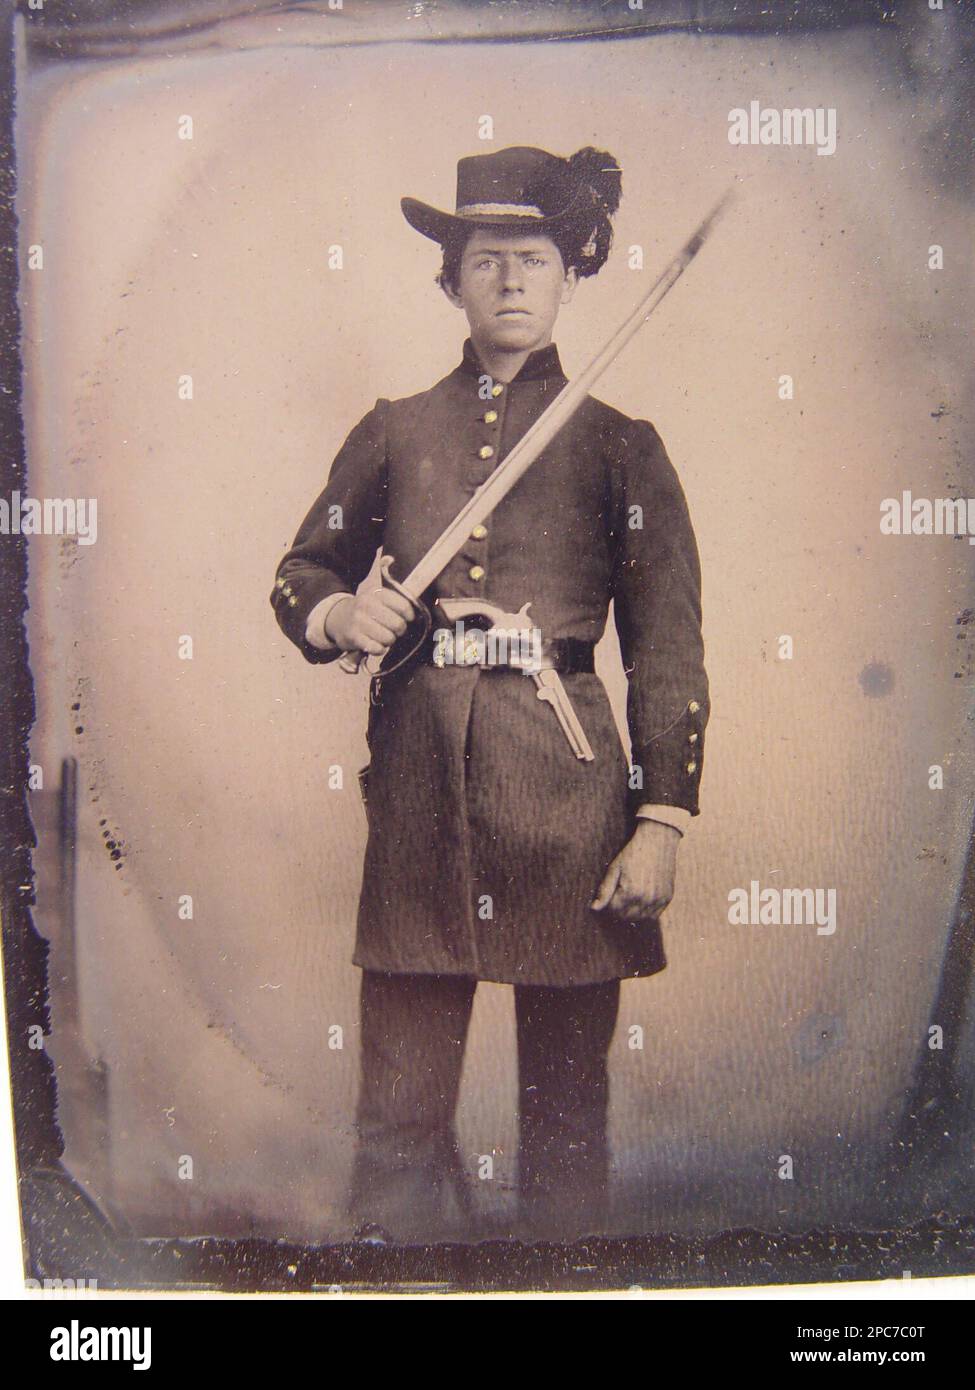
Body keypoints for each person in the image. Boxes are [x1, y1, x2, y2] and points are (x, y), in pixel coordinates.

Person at [271, 145, 709, 1243]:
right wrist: (336, 617)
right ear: (448, 281)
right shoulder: (393, 429)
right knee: (397, 1123)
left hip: (570, 802)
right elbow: (301, 572)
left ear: (570, 278)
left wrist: (661, 817)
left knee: (566, 1120)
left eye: (534, 258)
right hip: (420, 796)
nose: (510, 280)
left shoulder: (621, 449)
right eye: (484, 260)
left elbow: (667, 649)